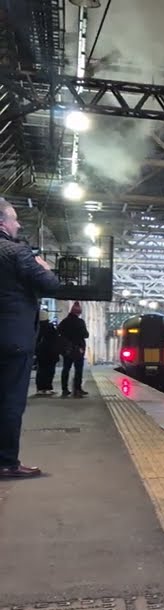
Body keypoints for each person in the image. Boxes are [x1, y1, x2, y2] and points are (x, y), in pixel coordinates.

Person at [0, 198, 60, 477]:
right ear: (2, 223)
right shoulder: (17, 252)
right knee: (10, 402)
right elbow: (50, 284)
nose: (18, 224)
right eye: (14, 219)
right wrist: (44, 267)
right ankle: (6, 462)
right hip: (12, 340)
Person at [58, 301, 89, 398]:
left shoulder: (64, 321)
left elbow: (58, 332)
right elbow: (86, 335)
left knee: (66, 369)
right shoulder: (80, 322)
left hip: (67, 349)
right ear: (78, 313)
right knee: (78, 369)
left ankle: (64, 389)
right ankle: (77, 389)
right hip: (78, 349)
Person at [33, 310, 60, 395]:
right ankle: (48, 387)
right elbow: (56, 339)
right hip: (51, 353)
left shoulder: (36, 328)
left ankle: (40, 388)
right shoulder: (50, 327)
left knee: (41, 370)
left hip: (40, 353)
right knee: (50, 371)